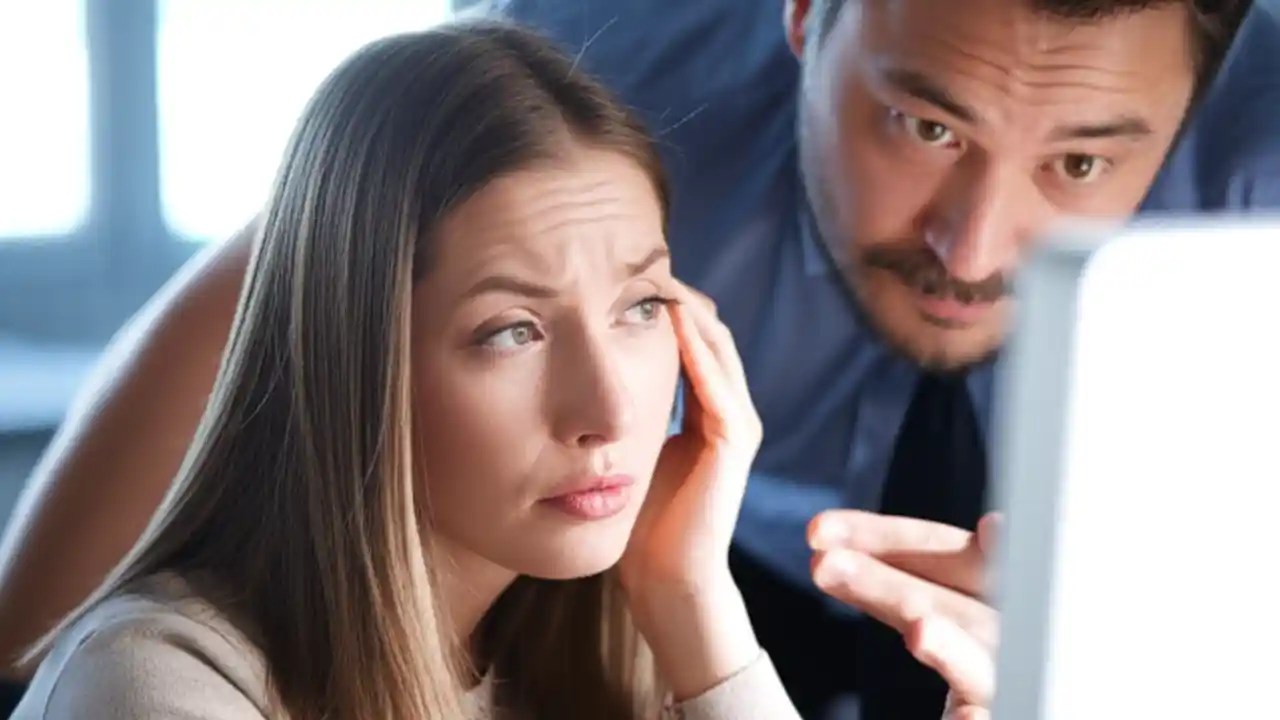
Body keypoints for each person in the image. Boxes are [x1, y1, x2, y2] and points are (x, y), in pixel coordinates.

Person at [1, 0, 1277, 717]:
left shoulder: (1255, 149)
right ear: (804, 21)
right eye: (921, 123)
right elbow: (285, 290)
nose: (972, 242)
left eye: (1079, 161)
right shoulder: (591, 76)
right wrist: (42, 658)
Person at [10, 21, 813, 719]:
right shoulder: (159, 685)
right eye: (513, 331)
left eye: (639, 306)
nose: (607, 411)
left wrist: (694, 603)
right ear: (355, 360)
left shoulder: (612, 655)